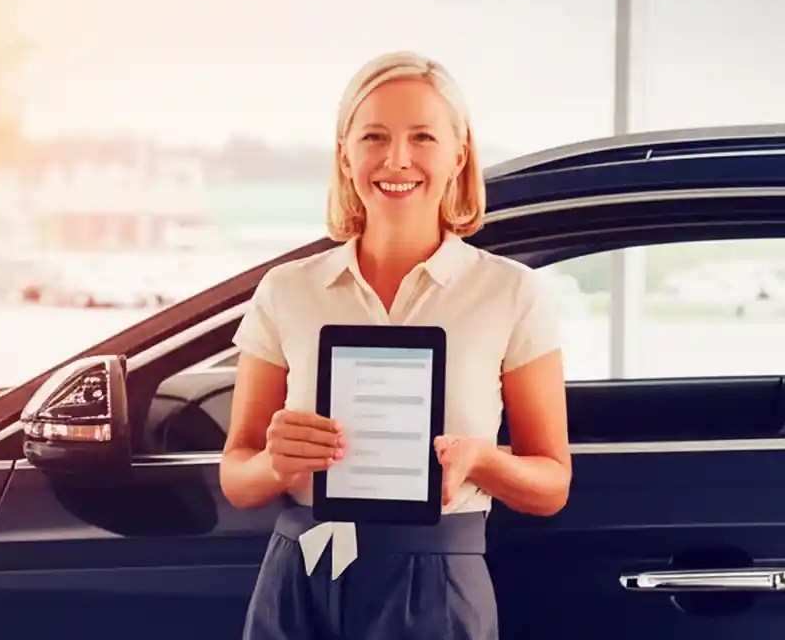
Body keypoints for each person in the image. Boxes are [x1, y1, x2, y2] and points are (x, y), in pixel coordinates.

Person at [220, 50, 571, 640]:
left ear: (459, 154)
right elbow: (238, 475)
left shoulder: (511, 292)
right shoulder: (288, 290)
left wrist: (481, 460)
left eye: (423, 137)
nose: (397, 159)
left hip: (436, 582)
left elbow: (552, 483)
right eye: (374, 136)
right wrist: (276, 462)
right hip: (300, 575)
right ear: (345, 152)